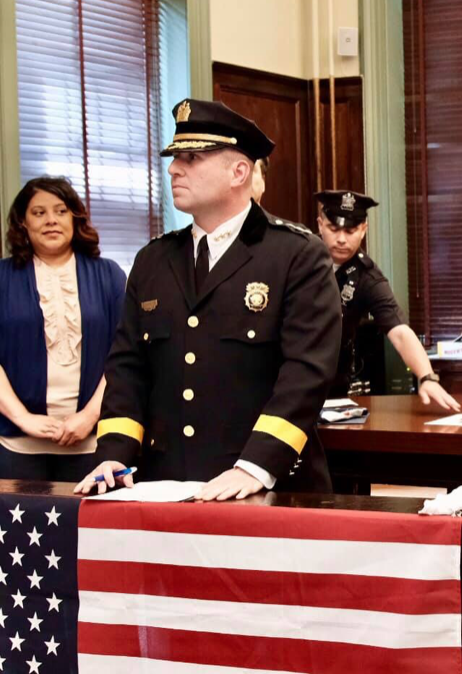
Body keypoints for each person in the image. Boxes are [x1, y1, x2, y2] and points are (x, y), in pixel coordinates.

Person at [74, 99, 341, 499]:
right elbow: (127, 367)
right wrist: (115, 454)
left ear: (239, 172)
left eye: (192, 157)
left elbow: (307, 373)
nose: (173, 169)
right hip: (163, 483)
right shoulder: (153, 260)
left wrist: (256, 466)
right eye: (174, 158)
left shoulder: (296, 254)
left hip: (266, 483)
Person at [0, 177, 126, 481]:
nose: (51, 220)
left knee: (88, 529)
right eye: (39, 213)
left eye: (61, 211)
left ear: (75, 218)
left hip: (93, 444)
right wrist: (24, 419)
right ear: (22, 223)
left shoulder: (109, 275)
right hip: (13, 445)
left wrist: (89, 416)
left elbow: (125, 355)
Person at [314, 189, 460, 410]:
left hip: (331, 388)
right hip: (280, 380)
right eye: (334, 229)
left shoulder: (367, 277)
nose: (342, 239)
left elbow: (399, 331)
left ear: (364, 230)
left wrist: (427, 377)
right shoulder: (298, 257)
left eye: (351, 230)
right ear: (320, 225)